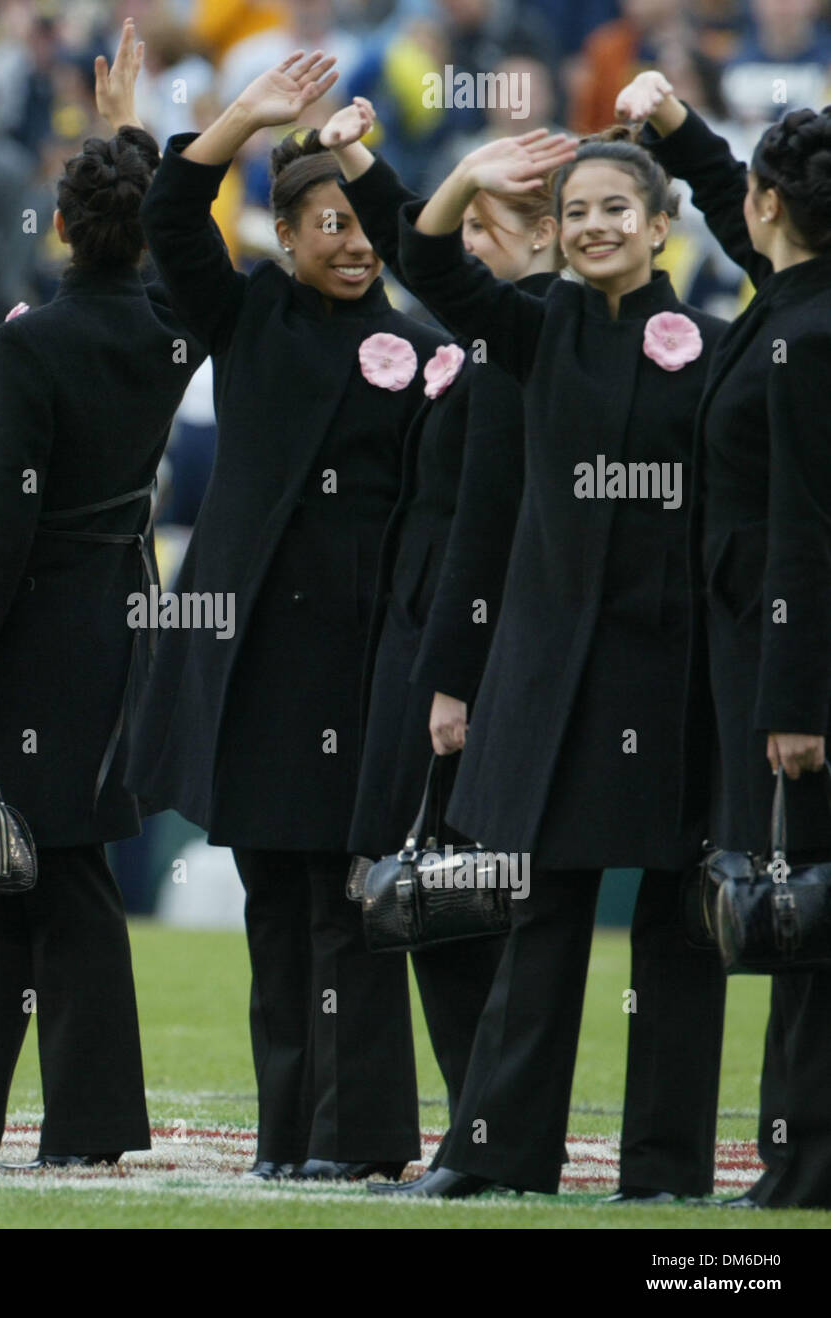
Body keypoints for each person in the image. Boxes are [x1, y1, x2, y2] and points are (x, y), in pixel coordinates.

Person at [386, 123, 730, 1200]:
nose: (591, 227)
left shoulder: (715, 346)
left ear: (661, 226)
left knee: (677, 925)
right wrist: (464, 180)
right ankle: (493, 1155)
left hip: (677, 682)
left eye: (613, 210)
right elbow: (430, 263)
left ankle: (666, 1170)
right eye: (574, 212)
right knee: (539, 918)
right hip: (550, 674)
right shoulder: (527, 330)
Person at [125, 52, 452, 1182]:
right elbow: (170, 213)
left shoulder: (424, 350)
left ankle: (357, 1142)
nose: (354, 243)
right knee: (277, 904)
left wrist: (364, 164)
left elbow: (422, 244)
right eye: (327, 223)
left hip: (366, 663)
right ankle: (286, 1141)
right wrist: (241, 117)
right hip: (259, 663)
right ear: (284, 232)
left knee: (350, 904)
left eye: (363, 222)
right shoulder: (249, 310)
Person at [0, 21, 202, 1170]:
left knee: (54, 860)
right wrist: (129, 132)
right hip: (123, 609)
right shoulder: (171, 327)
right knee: (19, 860)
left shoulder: (29, 341)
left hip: (38, 622)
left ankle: (78, 1127)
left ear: (65, 225)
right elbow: (174, 249)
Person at [320, 96, 561, 1138]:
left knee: (456, 903)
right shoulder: (490, 337)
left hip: (461, 655)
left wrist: (451, 678)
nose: (464, 251)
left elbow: (483, 524)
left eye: (486, 229)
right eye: (462, 231)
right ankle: (475, 1122)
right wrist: (359, 157)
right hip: (425, 640)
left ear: (543, 237)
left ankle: (486, 1127)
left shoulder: (524, 341)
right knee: (427, 899)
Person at [624, 69, 831, 1211]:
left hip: (792, 665)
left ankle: (805, 1164)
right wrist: (676, 128)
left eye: (747, 191)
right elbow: (728, 202)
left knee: (808, 920)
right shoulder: (794, 297)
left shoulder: (810, 330)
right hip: (765, 653)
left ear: (771, 205)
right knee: (802, 920)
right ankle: (797, 1158)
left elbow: (807, 529)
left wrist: (794, 703)